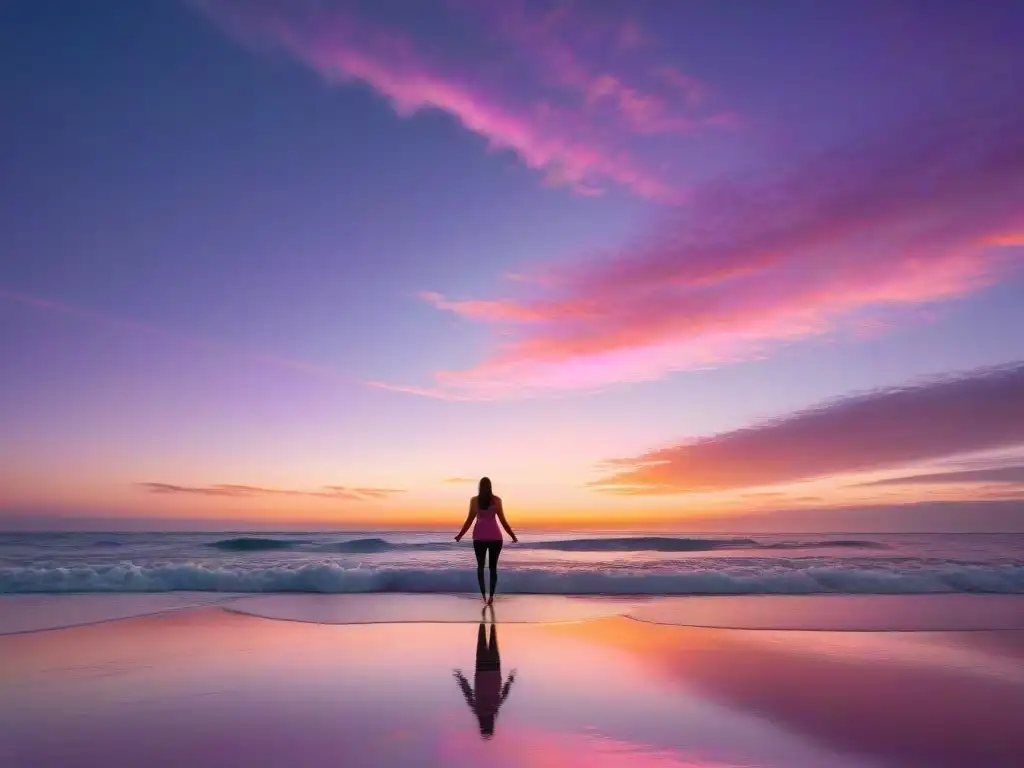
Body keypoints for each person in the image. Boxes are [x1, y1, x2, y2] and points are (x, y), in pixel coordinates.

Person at [454, 477, 517, 604]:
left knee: (480, 567)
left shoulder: (475, 501)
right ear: (490, 486)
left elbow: (469, 520)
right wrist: (512, 535)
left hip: (479, 538)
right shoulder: (497, 500)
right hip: (495, 538)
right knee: (493, 568)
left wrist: (460, 535)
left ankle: (483, 594)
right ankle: (491, 596)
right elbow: (503, 521)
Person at [453, 614, 516, 739]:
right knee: (481, 636)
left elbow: (505, 692)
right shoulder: (479, 709)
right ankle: (482, 614)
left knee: (493, 636)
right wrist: (460, 678)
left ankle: (488, 614)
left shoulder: (495, 708)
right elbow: (468, 692)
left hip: (494, 667)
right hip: (481, 667)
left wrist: (511, 678)